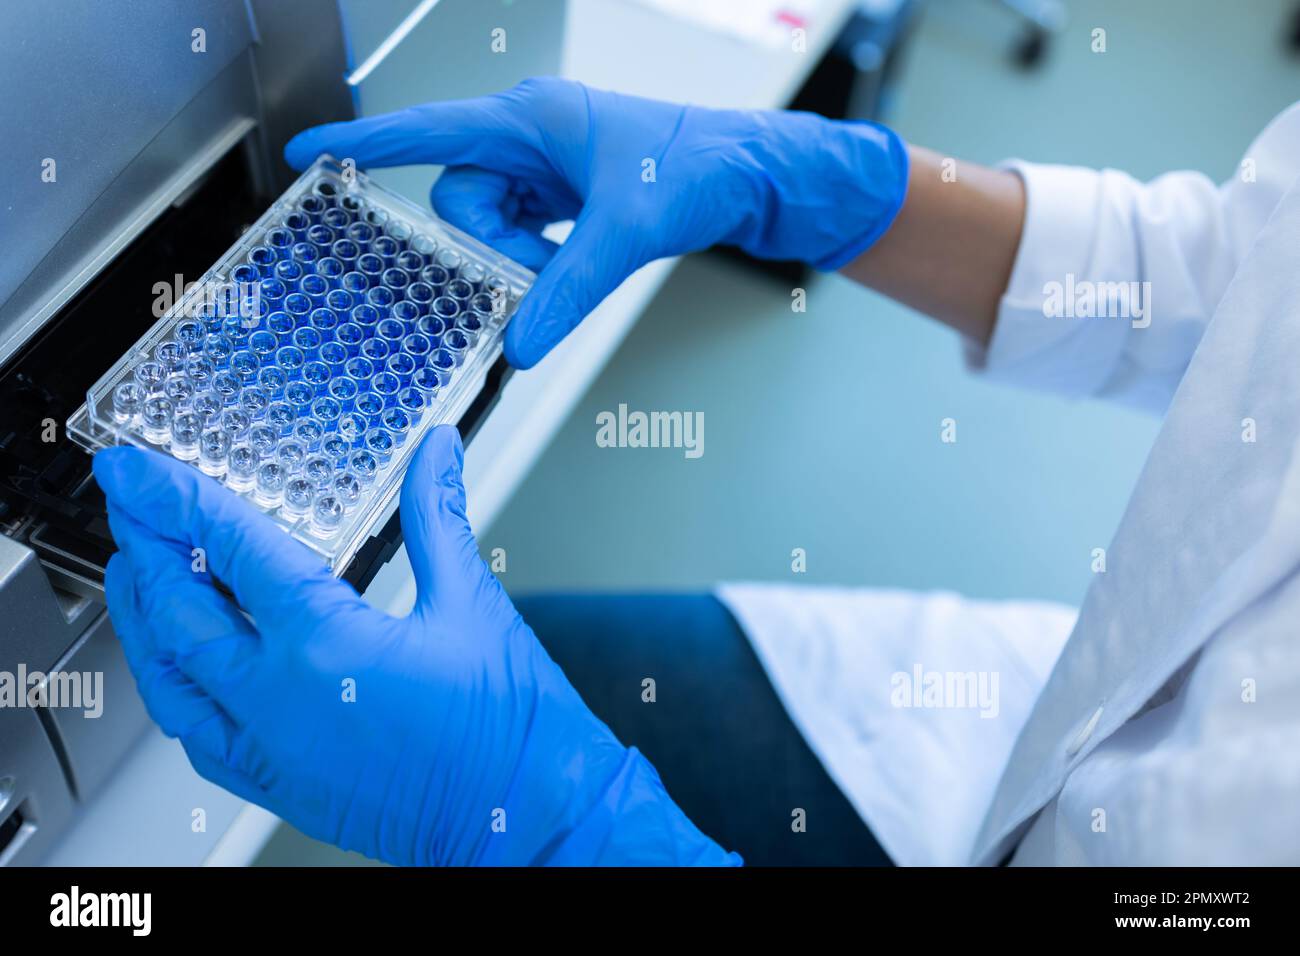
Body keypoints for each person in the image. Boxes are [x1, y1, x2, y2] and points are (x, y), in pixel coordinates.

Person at [96, 78, 1300, 866]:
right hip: (1015, 741)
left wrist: (561, 828)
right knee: (525, 659)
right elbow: (1239, 278)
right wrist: (820, 184)